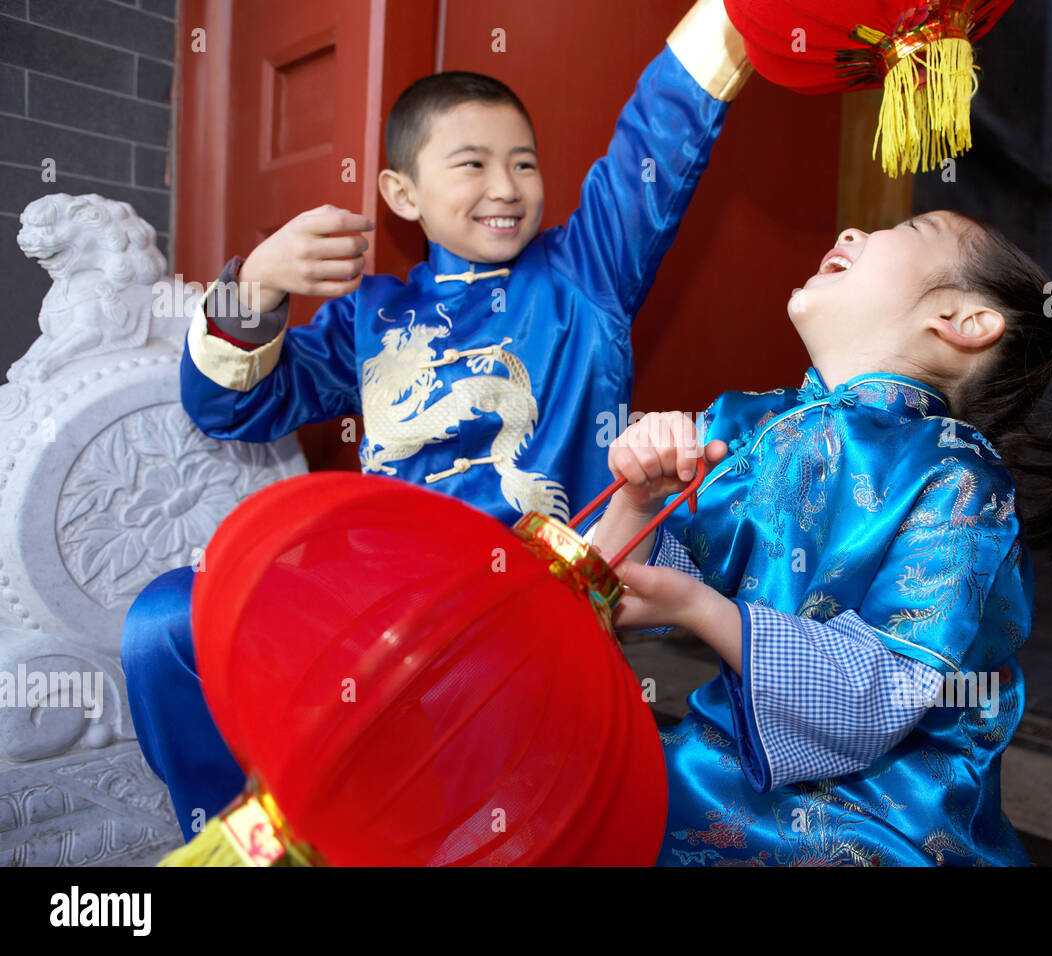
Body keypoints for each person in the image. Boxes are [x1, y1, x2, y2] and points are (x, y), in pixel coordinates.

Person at [122, 0, 752, 837]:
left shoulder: (583, 277)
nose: (506, 187)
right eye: (472, 164)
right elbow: (231, 406)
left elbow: (658, 135)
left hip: (524, 603)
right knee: (167, 622)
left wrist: (741, 14)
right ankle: (239, 836)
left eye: (524, 165)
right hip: (377, 591)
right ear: (401, 193)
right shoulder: (371, 316)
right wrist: (259, 283)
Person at [587, 209, 1052, 866]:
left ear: (963, 323)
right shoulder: (754, 425)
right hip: (716, 770)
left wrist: (700, 610)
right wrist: (636, 498)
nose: (851, 232)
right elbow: (624, 594)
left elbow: (884, 688)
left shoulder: (957, 478)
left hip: (877, 817)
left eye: (905, 232)